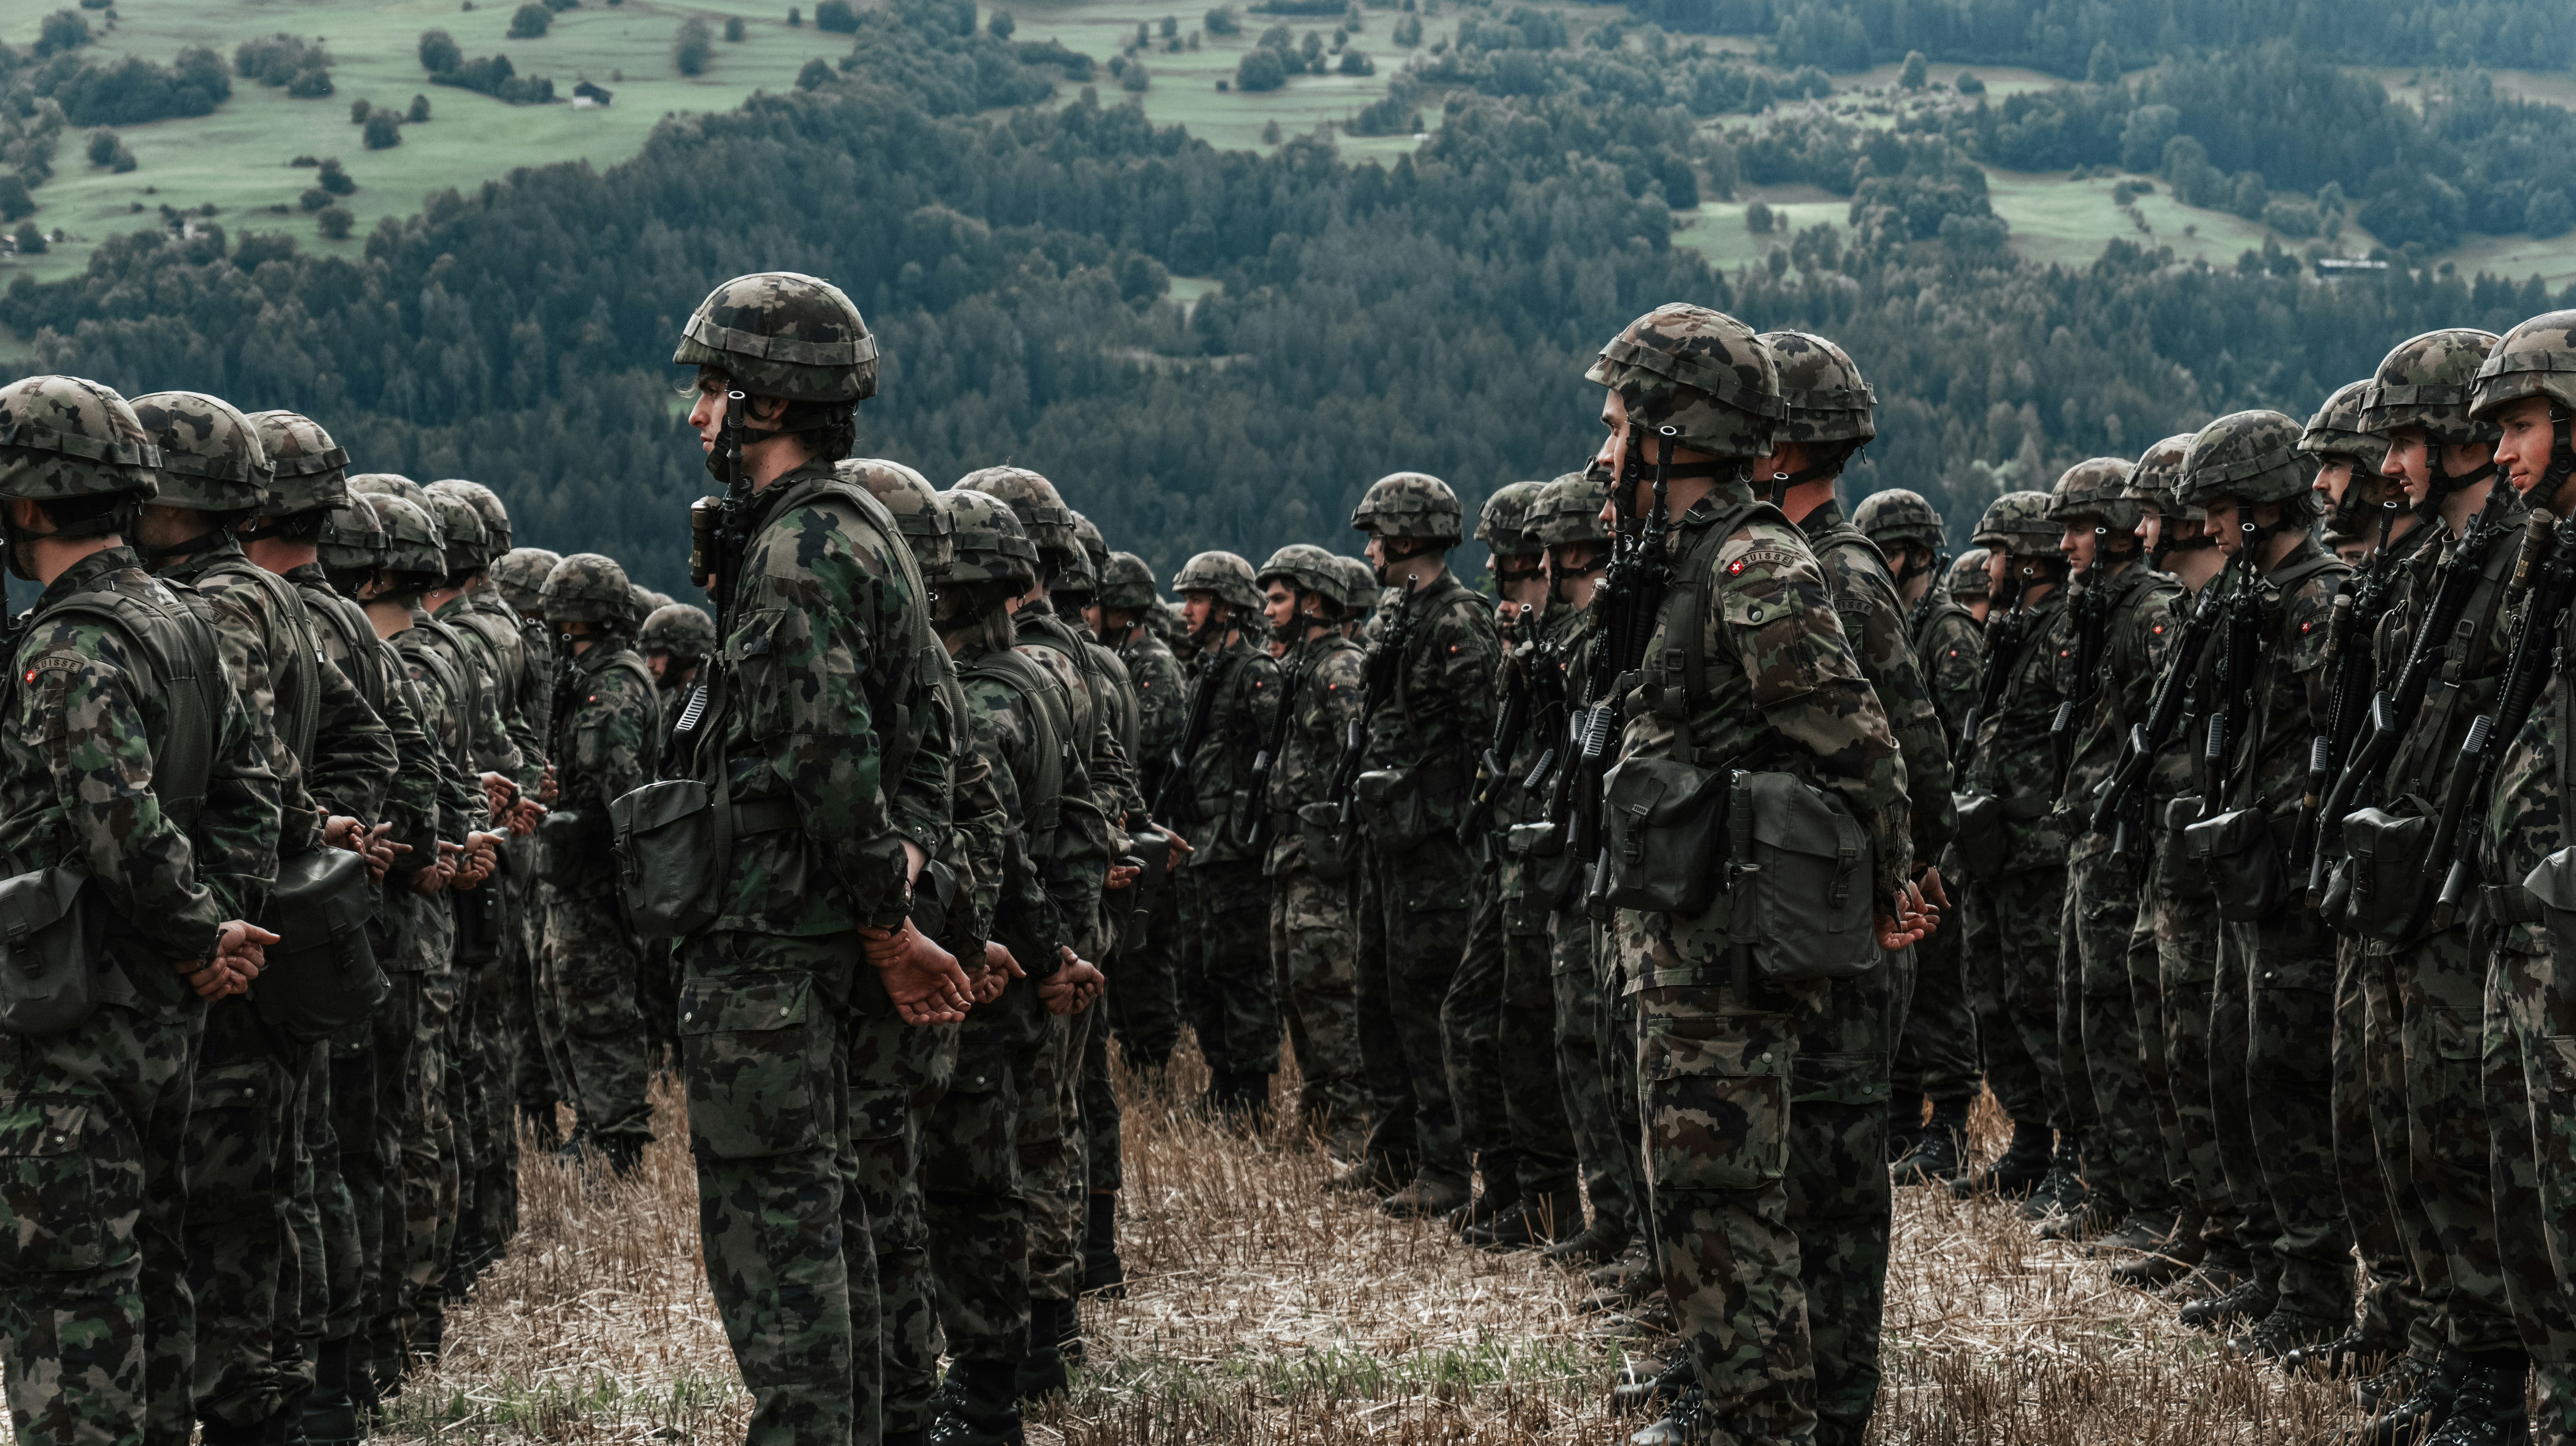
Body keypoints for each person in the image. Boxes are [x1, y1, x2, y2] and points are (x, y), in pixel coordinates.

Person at [667, 270, 971, 1446]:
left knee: (778, 1246)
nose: (698, 417)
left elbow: (830, 754)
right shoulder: (863, 530)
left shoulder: (796, 555)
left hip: (778, 960)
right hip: (821, 946)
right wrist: (901, 881)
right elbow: (934, 736)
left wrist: (885, 926)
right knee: (836, 1216)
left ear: (767, 402)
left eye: (712, 391)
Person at [0, 374, 279, 1446]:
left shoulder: (69, 647)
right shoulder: (180, 620)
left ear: (30, 505)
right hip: (163, 1014)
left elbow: (119, 824)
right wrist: (220, 939)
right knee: (151, 1278)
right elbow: (257, 792)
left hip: (72, 1018)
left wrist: (200, 931)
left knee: (70, 1304)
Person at [126, 389, 390, 1446]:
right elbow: (365, 744)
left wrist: (224, 913)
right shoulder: (259, 594)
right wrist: (340, 830)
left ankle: (269, 1409)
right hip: (260, 931)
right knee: (276, 1182)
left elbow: (251, 774)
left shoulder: (219, 606)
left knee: (225, 1219)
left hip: (226, 952)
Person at [1756, 330, 1952, 1446]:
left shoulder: (1836, 573)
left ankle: (1837, 1412)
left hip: (1847, 930)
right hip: (1804, 920)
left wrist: (1900, 890)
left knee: (1832, 1186)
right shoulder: (1785, 566)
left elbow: (1916, 755)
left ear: (1784, 447)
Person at [2338, 328, 2529, 1444]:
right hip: (2422, 881)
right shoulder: (2448, 565)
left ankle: (2498, 1380)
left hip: (2482, 893)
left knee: (2470, 1138)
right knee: (2420, 1135)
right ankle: (2461, 1358)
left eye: (2411, 440)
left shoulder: (2517, 560)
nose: (2388, 465)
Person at [920, 488, 1109, 1444]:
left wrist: (996, 945)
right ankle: (1041, 1329)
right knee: (1041, 1137)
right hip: (1031, 936)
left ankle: (1019, 1350)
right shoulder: (1047, 672)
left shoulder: (982, 698)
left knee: (984, 1169)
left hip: (985, 954)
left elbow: (986, 841)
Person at [2175, 411, 2353, 1361]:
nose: (2211, 528)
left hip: (2293, 884)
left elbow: (2334, 746)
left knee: (2287, 1081)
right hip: (2252, 875)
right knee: (2239, 1068)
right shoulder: (2254, 597)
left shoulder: (2319, 598)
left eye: (2224, 507)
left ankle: (2318, 1289)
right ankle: (2273, 1270)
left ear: (2263, 501)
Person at [2466, 309, 2576, 1446]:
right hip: (2532, 932)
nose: (2503, 454)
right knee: (2528, 1192)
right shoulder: (2547, 564)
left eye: (2524, 427)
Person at [1340, 471, 1501, 1218]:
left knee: (1426, 998)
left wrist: (1459, 826)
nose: (1370, 549)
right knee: (1378, 995)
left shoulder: (1458, 621)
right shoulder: (1398, 616)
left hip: (1437, 848)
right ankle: (1395, 1149)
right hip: (1391, 840)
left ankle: (1444, 1166)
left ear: (1408, 538)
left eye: (1378, 535)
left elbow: (1484, 743)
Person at [1446, 480, 1580, 1247]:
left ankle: (1545, 1197)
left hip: (1545, 856)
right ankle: (1509, 1184)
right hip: (1508, 851)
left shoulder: (1572, 636)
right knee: (1478, 1021)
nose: (1503, 578)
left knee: (1529, 1030)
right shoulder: (1528, 636)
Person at [1853, 486, 1981, 1185]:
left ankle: (1953, 1126)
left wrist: (1940, 838)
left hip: (1942, 835)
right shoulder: (1901, 626)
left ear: (1917, 556)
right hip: (1903, 831)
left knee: (1937, 985)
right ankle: (1906, 1123)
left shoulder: (1947, 632)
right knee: (1899, 978)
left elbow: (1955, 742)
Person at [1951, 491, 2075, 1206]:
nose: (1989, 566)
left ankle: (2072, 1155)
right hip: (1994, 850)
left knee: (2040, 1003)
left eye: (1998, 552)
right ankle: (2030, 1143)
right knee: (1994, 1002)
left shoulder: (2063, 629)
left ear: (2028, 557)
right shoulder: (2014, 630)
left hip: (2038, 854)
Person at [534, 554, 662, 1173]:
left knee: (598, 1004)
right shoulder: (597, 674)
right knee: (569, 997)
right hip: (584, 874)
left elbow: (617, 788)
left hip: (598, 878)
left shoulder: (610, 684)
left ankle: (615, 1139)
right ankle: (594, 1123)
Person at [1252, 543, 1368, 1152]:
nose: (1267, 610)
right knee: (1296, 987)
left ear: (1313, 600)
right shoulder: (1302, 666)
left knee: (1330, 988)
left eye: (1278, 598)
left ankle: (1351, 1126)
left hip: (1326, 854)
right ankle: (1321, 1115)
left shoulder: (1339, 666)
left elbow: (1359, 755)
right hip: (1293, 851)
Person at [1166, 550, 1284, 1121]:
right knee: (1200, 969)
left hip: (1237, 848)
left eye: (1198, 598)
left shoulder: (1255, 673)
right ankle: (1221, 1080)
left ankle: (1250, 1091)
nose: (1186, 610)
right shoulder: (1204, 674)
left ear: (1228, 608)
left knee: (1241, 970)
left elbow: (1278, 755)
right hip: (1201, 845)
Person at [1096, 550, 1187, 1078]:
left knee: (1147, 960)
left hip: (1148, 824)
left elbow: (1150, 741)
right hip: (1132, 825)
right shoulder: (1122, 657)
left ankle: (1151, 1064)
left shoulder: (1153, 662)